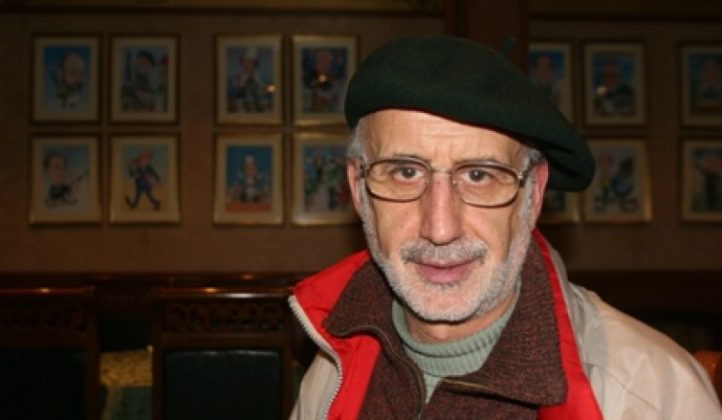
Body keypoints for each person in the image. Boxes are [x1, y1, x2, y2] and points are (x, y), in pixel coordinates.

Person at [289, 35, 722, 419]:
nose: (440, 228)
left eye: (479, 175)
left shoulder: (652, 396)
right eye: (405, 172)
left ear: (533, 194)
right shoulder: (332, 364)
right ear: (358, 189)